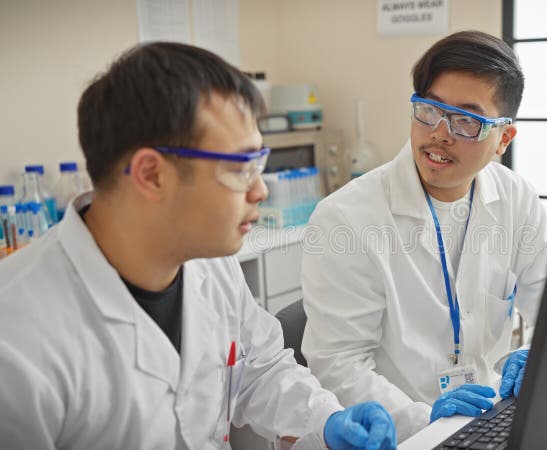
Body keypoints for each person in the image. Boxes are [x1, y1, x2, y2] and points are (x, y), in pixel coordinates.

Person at [0, 42, 396, 450]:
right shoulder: (17, 338)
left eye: (258, 164)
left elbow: (260, 371)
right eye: (240, 168)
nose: (261, 190)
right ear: (152, 175)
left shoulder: (210, 262)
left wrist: (326, 421)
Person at [301, 30, 547, 440]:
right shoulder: (345, 219)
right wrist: (422, 420)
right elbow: (338, 365)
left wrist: (537, 353)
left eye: (466, 120)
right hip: (397, 433)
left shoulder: (516, 198)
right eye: (429, 109)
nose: (439, 133)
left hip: (482, 418)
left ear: (503, 139)